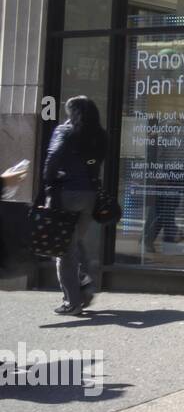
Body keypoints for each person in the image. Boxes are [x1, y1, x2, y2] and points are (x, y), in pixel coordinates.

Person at [42, 96, 109, 315]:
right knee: (74, 241)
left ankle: (73, 302)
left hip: (67, 194)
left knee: (64, 250)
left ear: (74, 112)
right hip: (89, 196)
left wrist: (50, 183)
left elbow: (52, 158)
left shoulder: (65, 131)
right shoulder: (100, 135)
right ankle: (86, 284)